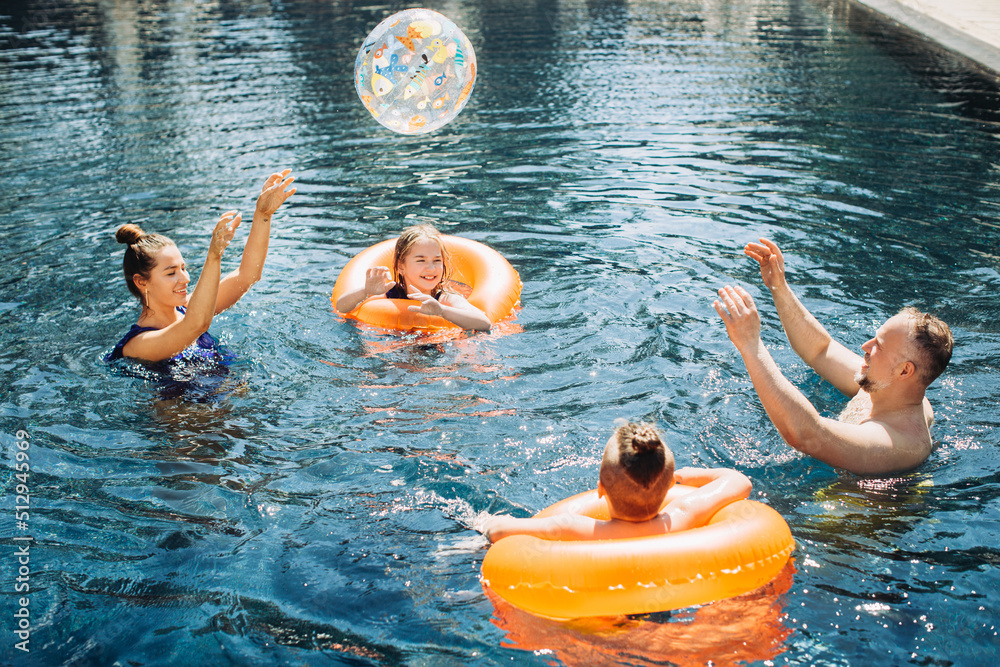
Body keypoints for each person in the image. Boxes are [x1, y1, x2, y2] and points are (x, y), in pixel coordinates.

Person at [713, 238, 953, 475]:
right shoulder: (888, 389)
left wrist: (750, 345)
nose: (865, 346)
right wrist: (778, 286)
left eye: (878, 345)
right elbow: (821, 350)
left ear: (904, 371)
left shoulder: (895, 443)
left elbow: (806, 436)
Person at [106, 170, 296, 363]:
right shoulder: (137, 344)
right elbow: (197, 324)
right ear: (141, 282)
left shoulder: (188, 309)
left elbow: (248, 275)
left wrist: (263, 215)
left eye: (183, 268)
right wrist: (214, 256)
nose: (185, 278)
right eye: (171, 272)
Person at [481, 422, 751, 542]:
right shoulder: (685, 514)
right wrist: (681, 476)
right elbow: (739, 481)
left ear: (600, 488)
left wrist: (482, 521)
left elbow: (498, 530)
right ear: (670, 486)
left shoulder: (574, 527)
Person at [335, 224, 491, 331]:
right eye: (421, 260)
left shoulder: (445, 298)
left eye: (437, 260)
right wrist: (365, 291)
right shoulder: (390, 292)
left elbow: (484, 323)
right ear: (401, 266)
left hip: (438, 347)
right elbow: (341, 307)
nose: (431, 268)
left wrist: (442, 311)